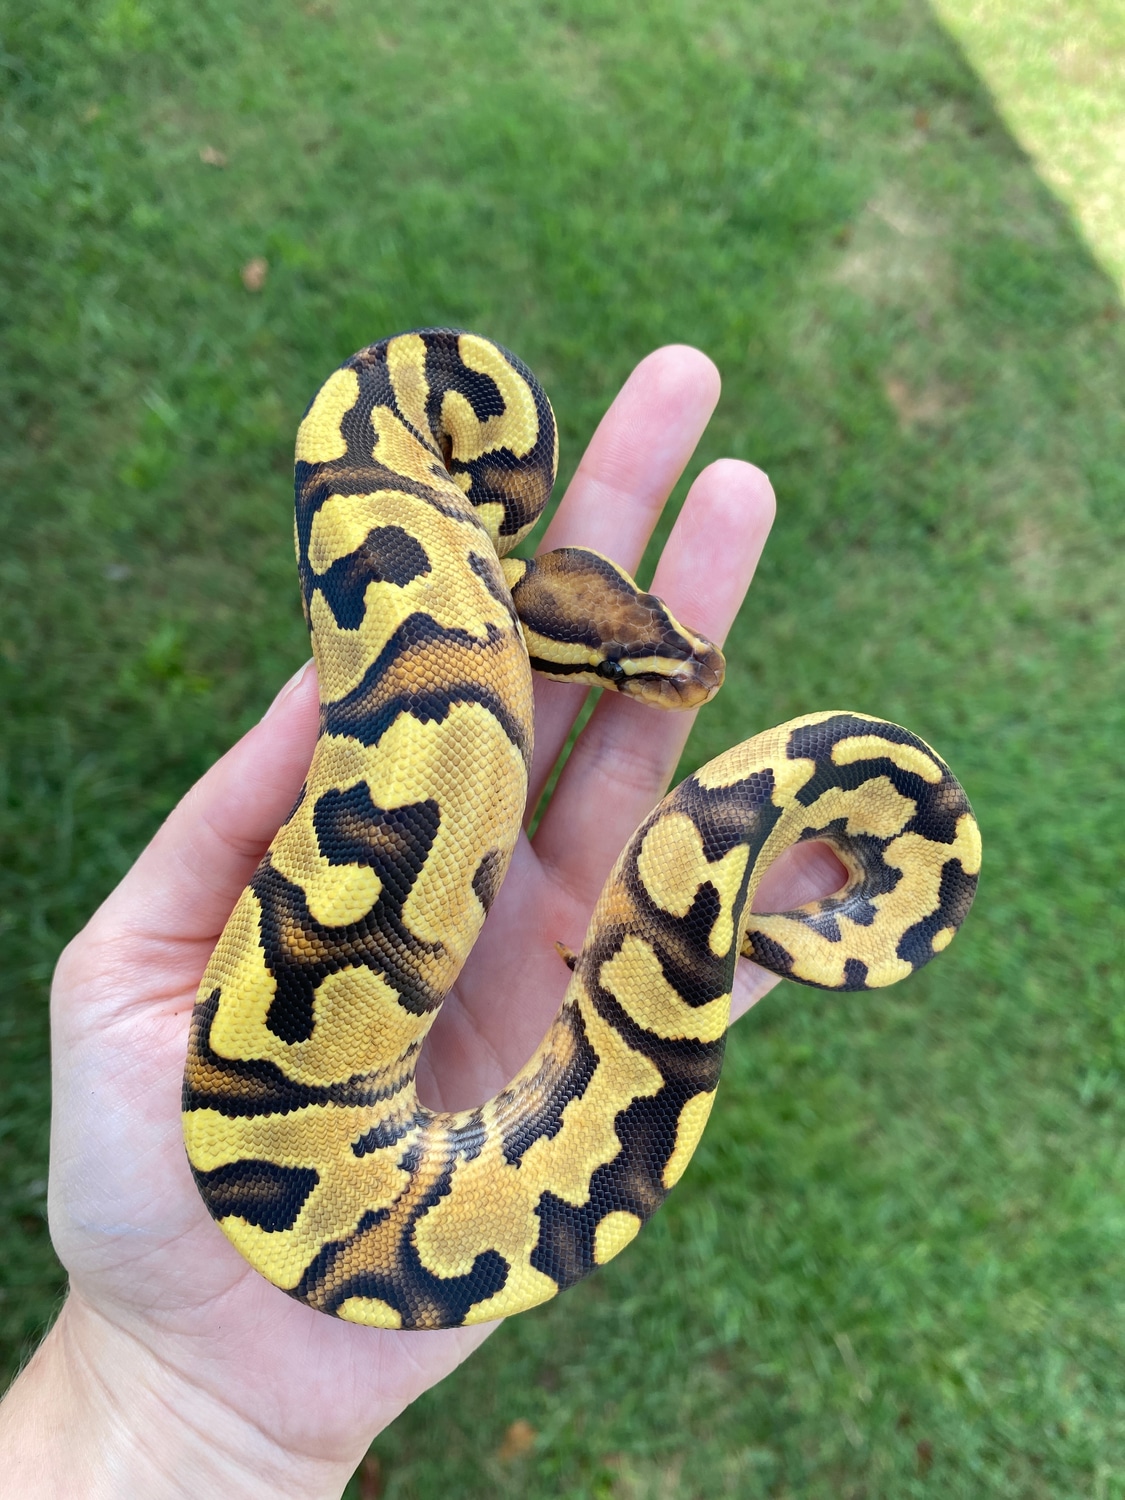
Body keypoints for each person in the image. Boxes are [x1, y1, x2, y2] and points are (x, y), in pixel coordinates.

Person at [0, 346, 842, 1497]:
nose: (675, 675)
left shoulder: (435, 545)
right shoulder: (463, 575)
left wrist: (175, 1405)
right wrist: (177, 1384)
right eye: (630, 671)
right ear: (533, 630)